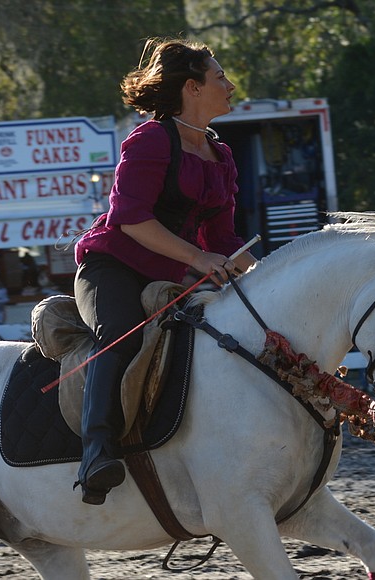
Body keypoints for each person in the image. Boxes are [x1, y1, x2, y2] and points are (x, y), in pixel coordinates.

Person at [72, 37, 256, 505]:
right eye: (220, 78)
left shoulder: (222, 155)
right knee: (121, 334)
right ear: (192, 89)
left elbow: (224, 242)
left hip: (172, 274)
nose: (230, 85)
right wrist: (198, 260)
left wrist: (271, 279)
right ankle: (96, 453)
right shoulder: (150, 138)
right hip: (112, 265)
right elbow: (130, 219)